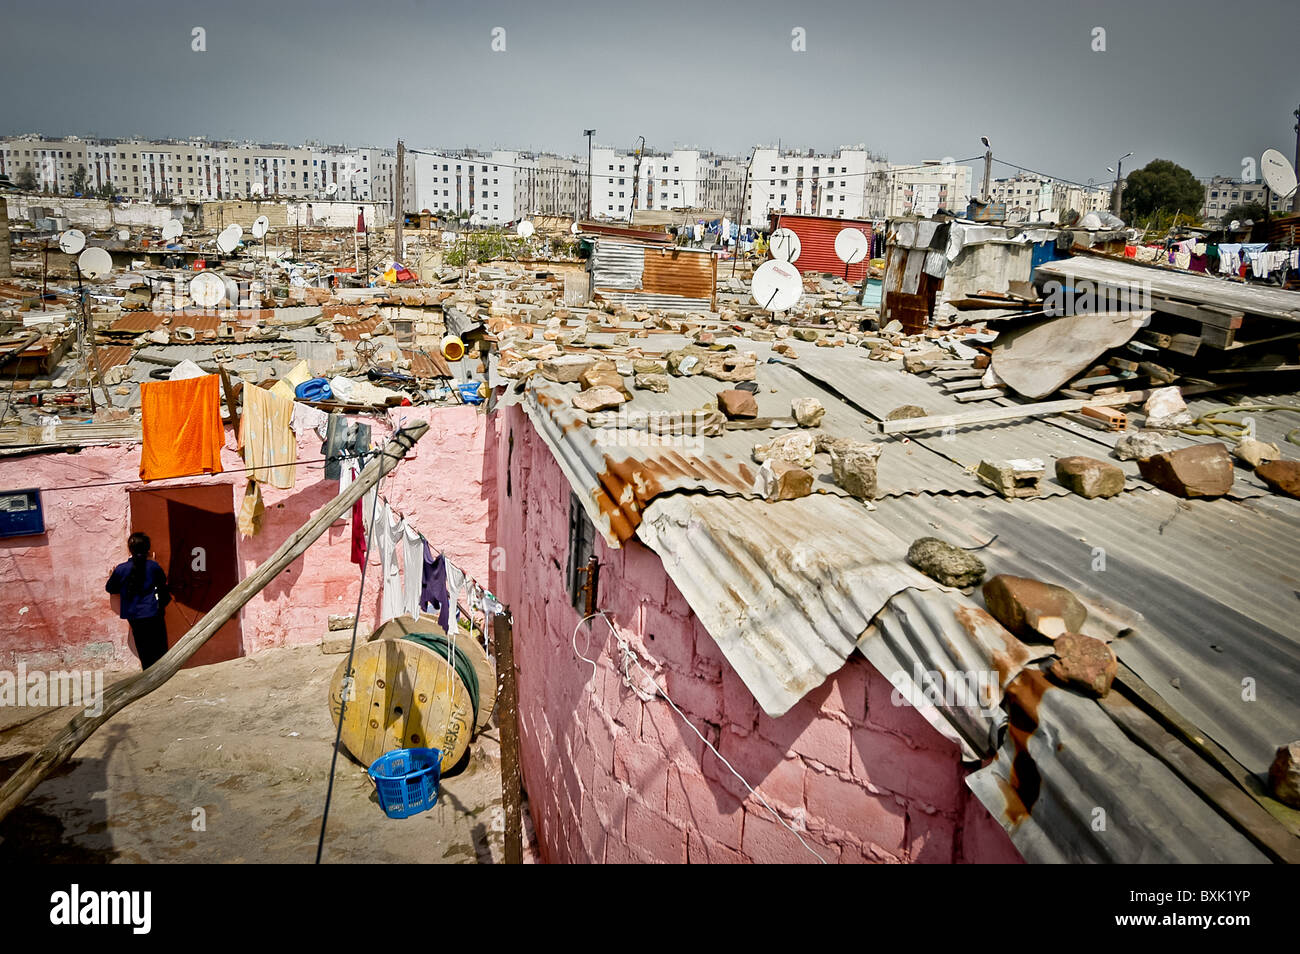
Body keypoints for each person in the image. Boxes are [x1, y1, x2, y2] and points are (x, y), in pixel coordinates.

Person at [106, 532, 172, 669]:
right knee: (159, 646)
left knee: (143, 647)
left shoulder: (121, 569)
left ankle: (148, 676)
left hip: (134, 615)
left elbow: (111, 588)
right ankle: (163, 674)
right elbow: (163, 582)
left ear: (130, 549)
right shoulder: (153, 567)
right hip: (154, 612)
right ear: (148, 548)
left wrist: (113, 576)